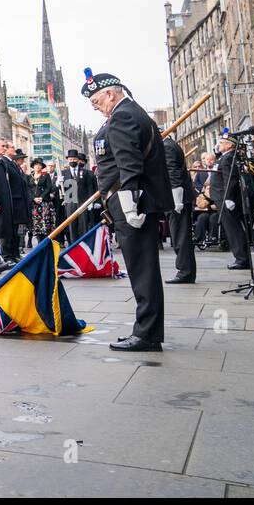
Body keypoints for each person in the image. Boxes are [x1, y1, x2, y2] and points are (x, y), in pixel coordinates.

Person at [83, 69, 169, 351]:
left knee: (142, 270)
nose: (96, 108)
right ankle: (147, 330)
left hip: (131, 202)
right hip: (131, 199)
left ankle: (146, 334)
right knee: (143, 269)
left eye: (97, 101)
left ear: (110, 93)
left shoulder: (123, 116)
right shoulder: (131, 112)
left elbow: (129, 163)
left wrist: (129, 204)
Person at [212, 132, 250, 270]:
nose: (219, 145)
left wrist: (228, 198)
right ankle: (241, 257)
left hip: (225, 197)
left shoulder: (228, 158)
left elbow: (230, 179)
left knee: (234, 229)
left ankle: (242, 259)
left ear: (229, 145)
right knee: (231, 228)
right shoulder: (225, 156)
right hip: (221, 197)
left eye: (221, 143)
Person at [162, 134, 196, 283]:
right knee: (179, 236)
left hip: (176, 198)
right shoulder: (168, 144)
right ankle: (185, 270)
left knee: (180, 237)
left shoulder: (166, 147)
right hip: (176, 197)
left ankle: (185, 272)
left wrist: (176, 199)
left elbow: (172, 173)